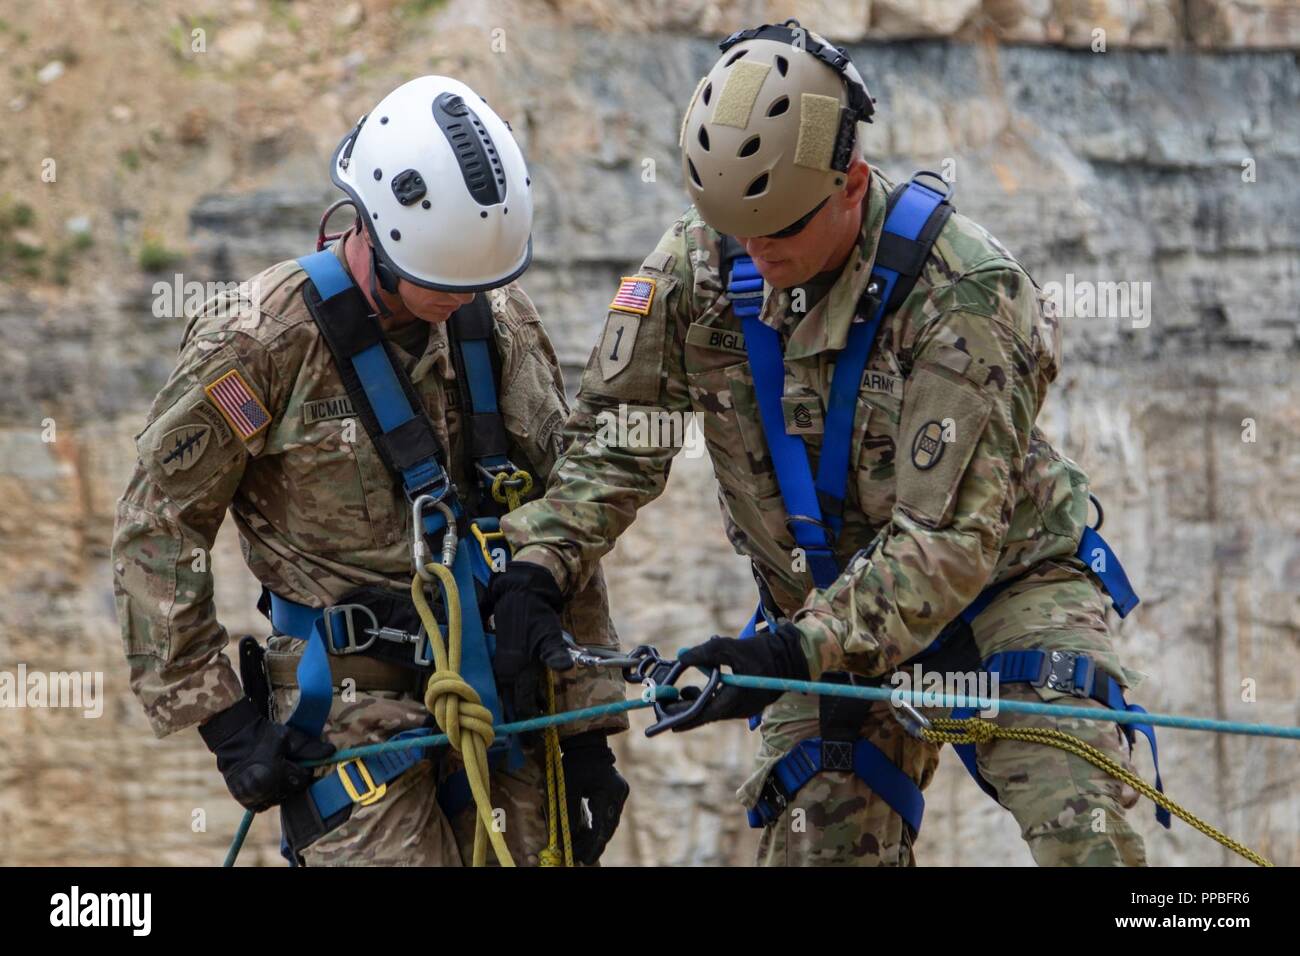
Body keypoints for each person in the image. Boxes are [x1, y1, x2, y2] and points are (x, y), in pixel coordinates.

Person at [491, 21, 1154, 866]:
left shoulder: (965, 295)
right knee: (813, 842)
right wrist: (539, 567)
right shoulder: (697, 270)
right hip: (820, 612)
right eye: (737, 231)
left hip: (1004, 591)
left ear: (850, 182)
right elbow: (619, 441)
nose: (758, 253)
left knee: (1081, 831)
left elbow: (945, 546)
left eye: (780, 230)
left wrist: (785, 650)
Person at [112, 75, 629, 866]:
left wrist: (590, 732)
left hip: (498, 688)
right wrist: (224, 723)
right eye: (443, 284)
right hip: (343, 705)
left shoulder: (495, 320)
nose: (461, 303)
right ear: (378, 236)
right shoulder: (261, 344)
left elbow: (563, 509)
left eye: (475, 286)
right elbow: (159, 523)